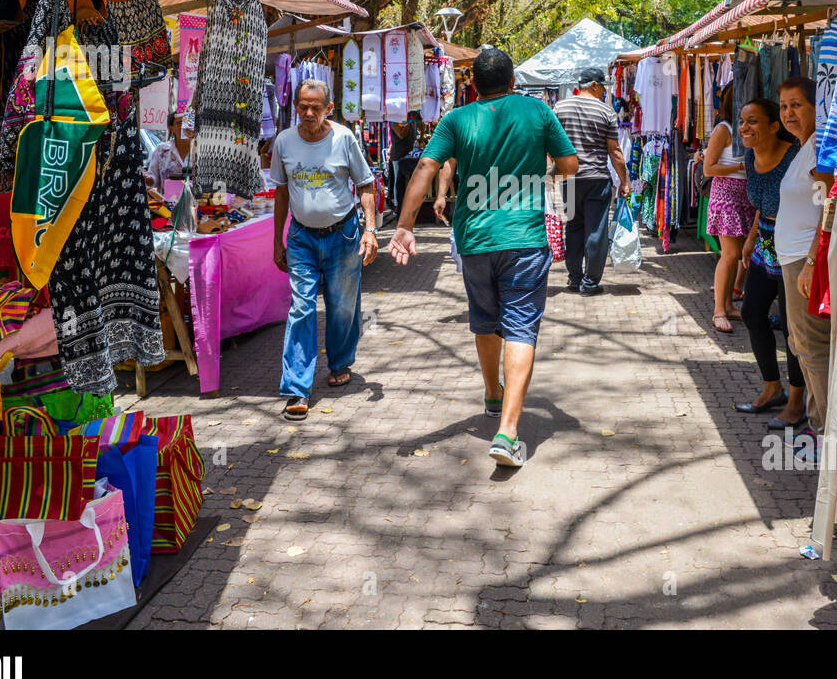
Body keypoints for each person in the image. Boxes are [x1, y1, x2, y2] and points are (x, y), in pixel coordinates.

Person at [389, 48, 577, 468]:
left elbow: (424, 167)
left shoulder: (455, 119)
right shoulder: (538, 111)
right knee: (522, 328)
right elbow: (569, 164)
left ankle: (493, 392)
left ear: (473, 85)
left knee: (485, 318)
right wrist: (540, 177)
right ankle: (507, 432)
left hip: (474, 241)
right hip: (526, 239)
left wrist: (405, 226)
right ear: (512, 82)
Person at [270, 79, 379, 421]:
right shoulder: (284, 142)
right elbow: (282, 193)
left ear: (328, 109)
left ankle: (340, 361)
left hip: (343, 234)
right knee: (301, 308)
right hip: (302, 237)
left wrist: (370, 230)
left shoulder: (343, 138)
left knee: (343, 305)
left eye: (316, 107)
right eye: (302, 106)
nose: (308, 113)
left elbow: (365, 185)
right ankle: (297, 388)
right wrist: (278, 239)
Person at [732, 97, 806, 429]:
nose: (744, 128)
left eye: (753, 122)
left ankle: (796, 400)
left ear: (774, 126)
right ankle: (771, 387)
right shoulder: (750, 157)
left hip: (792, 247)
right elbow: (762, 205)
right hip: (764, 243)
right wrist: (749, 239)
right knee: (751, 312)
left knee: (793, 328)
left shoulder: (794, 157)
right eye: (742, 121)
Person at [773, 77, 836, 463]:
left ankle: (833, 440)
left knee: (813, 348)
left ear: (816, 107)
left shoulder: (819, 151)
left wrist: (812, 263)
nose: (788, 114)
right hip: (792, 260)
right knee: (802, 346)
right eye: (783, 107)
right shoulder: (803, 149)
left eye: (796, 105)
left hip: (805, 262)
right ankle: (817, 428)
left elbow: (829, 207)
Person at [553, 67, 630, 295]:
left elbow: (551, 144)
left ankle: (575, 279)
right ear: (594, 85)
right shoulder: (606, 112)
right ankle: (590, 283)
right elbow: (615, 151)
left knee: (574, 227)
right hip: (597, 178)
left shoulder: (560, 107)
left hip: (568, 179)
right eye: (603, 88)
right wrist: (624, 181)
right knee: (596, 231)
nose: (604, 93)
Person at [703, 82, 755, 331]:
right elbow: (709, 168)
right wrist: (740, 167)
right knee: (730, 254)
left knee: (737, 255)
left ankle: (729, 306)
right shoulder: (723, 129)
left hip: (745, 195)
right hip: (726, 194)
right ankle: (718, 311)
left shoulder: (748, 129)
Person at [146, 111, 189, 192]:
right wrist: (147, 179)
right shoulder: (161, 150)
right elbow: (153, 178)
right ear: (171, 128)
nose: (183, 126)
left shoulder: (198, 150)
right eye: (179, 123)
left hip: (195, 202)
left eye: (186, 122)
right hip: (167, 202)